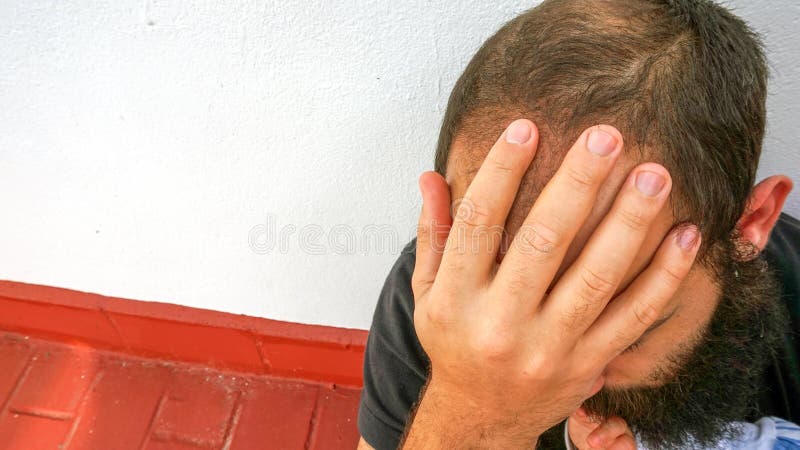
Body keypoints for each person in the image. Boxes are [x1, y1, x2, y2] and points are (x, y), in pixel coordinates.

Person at [357, 0, 800, 449]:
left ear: (749, 225)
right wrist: (472, 409)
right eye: (506, 298)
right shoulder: (438, 296)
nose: (540, 369)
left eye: (627, 334)